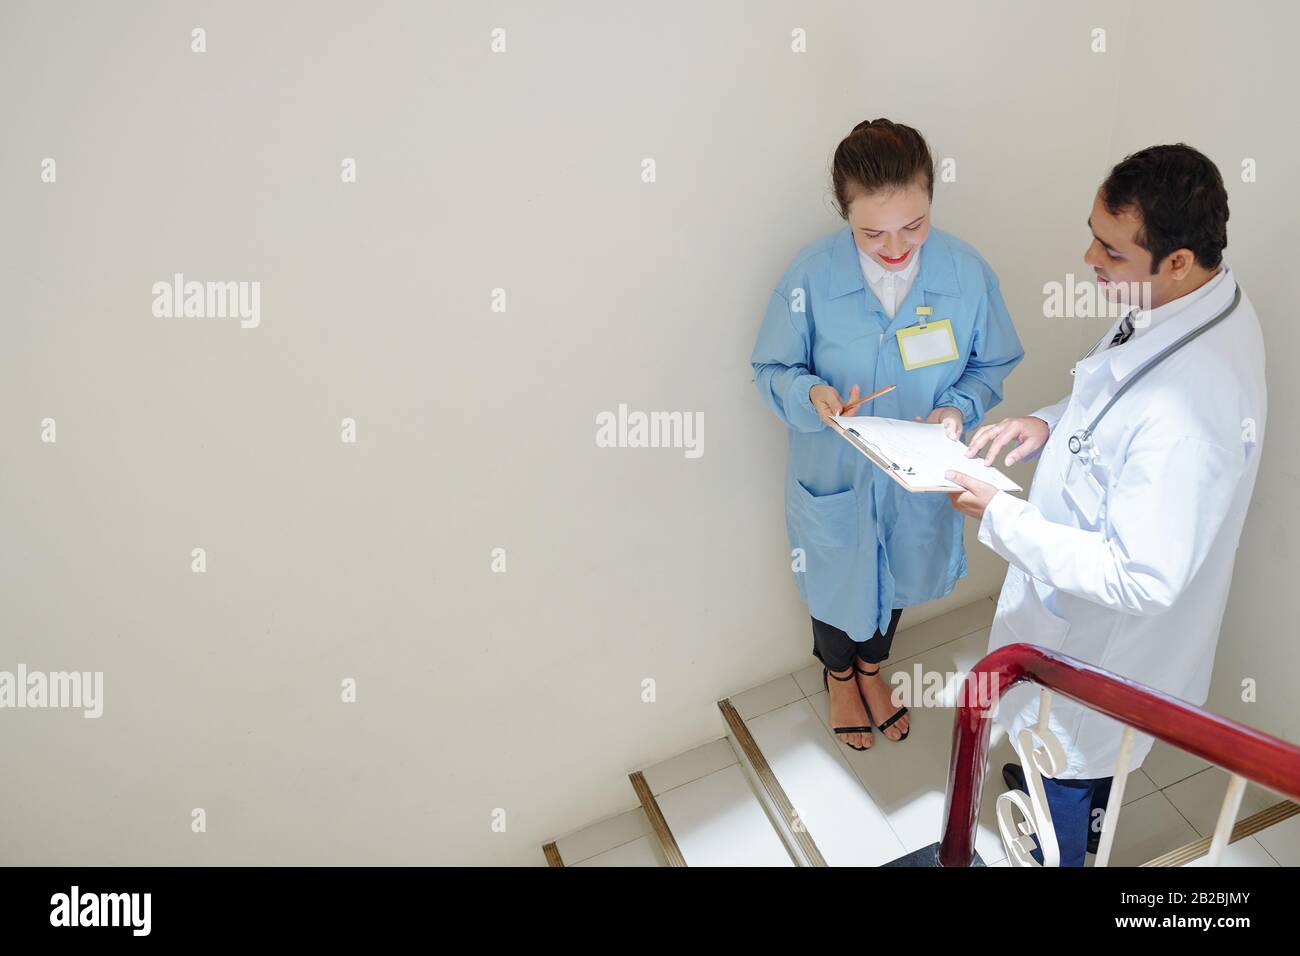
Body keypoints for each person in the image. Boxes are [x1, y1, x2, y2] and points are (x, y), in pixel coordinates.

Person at [946, 144, 1267, 865]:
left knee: (1070, 775)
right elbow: (1116, 393)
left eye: (1112, 251)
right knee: (1037, 739)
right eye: (1092, 231)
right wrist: (1050, 422)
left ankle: (1067, 844)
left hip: (1106, 654)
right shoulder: (1181, 301)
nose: (1089, 255)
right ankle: (1040, 787)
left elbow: (1141, 578)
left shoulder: (1198, 410)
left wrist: (1001, 514)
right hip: (1066, 621)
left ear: (1177, 259)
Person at [751, 119, 1024, 751]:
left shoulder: (965, 273)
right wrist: (809, 394)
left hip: (916, 474)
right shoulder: (811, 277)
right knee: (833, 578)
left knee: (898, 575)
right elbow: (771, 367)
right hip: (835, 475)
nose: (896, 247)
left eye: (914, 225)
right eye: (872, 231)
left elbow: (992, 363)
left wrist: (958, 407)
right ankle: (840, 676)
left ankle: (872, 669)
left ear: (932, 199)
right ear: (844, 213)